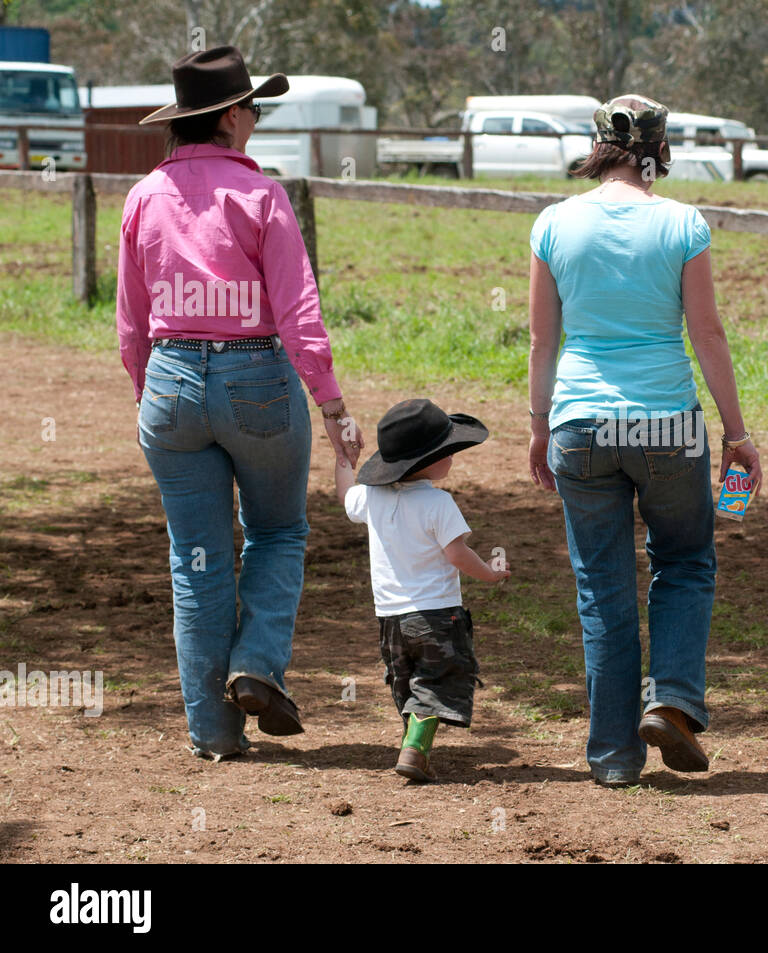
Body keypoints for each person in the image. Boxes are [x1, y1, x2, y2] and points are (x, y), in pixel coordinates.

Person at [116, 46, 362, 760]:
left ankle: (213, 733)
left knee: (195, 557)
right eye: (252, 106)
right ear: (230, 116)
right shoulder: (262, 197)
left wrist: (152, 395)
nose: (256, 117)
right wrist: (332, 402)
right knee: (279, 531)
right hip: (257, 377)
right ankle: (255, 664)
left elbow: (133, 322)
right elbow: (298, 312)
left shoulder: (143, 197)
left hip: (170, 382)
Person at [527, 94, 762, 786]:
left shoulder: (553, 224)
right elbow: (707, 334)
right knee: (685, 561)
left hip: (580, 423)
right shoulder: (683, 223)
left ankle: (612, 756)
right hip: (666, 422)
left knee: (602, 590)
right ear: (661, 150)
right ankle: (674, 699)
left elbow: (544, 338)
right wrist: (736, 433)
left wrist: (540, 425)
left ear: (598, 145)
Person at [335, 399, 510, 783]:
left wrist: (343, 458)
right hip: (437, 617)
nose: (452, 457)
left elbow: (346, 496)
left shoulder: (373, 497)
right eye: (447, 451)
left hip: (390, 620)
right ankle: (415, 747)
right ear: (428, 461)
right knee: (439, 679)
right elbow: (456, 554)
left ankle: (413, 739)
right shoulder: (438, 502)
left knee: (406, 679)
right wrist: (491, 573)